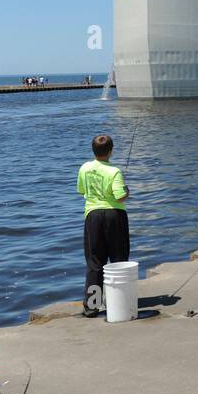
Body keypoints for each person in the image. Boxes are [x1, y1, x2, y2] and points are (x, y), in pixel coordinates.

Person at [77, 134, 130, 317]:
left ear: (93, 151)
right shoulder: (114, 171)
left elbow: (81, 190)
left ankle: (92, 306)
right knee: (119, 259)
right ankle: (119, 302)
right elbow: (120, 196)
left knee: (95, 262)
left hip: (92, 216)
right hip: (115, 216)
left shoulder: (84, 168)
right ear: (111, 151)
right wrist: (127, 190)